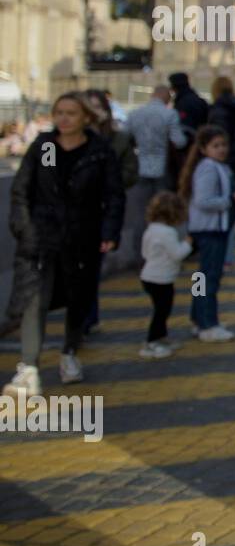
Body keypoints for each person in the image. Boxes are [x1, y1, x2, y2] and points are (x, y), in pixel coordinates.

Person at [2, 92, 125, 394]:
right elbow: (23, 190)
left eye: (71, 113)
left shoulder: (99, 151)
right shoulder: (45, 146)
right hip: (41, 237)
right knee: (34, 299)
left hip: (83, 236)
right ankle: (29, 367)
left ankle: (69, 352)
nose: (64, 119)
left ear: (85, 117)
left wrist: (109, 232)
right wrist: (24, 227)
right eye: (59, 112)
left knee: (78, 297)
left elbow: (113, 194)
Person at [180, 125, 235, 342]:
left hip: (208, 228)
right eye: (215, 145)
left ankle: (198, 317)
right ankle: (207, 323)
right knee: (209, 277)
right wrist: (231, 200)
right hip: (210, 229)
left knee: (201, 276)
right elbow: (203, 200)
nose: (221, 149)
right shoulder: (209, 168)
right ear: (203, 148)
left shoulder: (215, 166)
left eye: (223, 145)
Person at [82, 88, 138, 336]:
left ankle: (84, 322)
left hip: (101, 214)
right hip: (68, 218)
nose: (91, 113)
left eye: (96, 107)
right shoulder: (54, 143)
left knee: (91, 268)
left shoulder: (117, 140)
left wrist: (107, 182)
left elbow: (129, 175)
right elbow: (47, 175)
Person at [138, 190, 191, 359]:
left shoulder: (150, 229)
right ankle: (151, 342)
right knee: (161, 311)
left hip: (148, 276)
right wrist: (188, 244)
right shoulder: (168, 232)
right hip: (161, 279)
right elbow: (177, 254)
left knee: (160, 309)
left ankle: (161, 337)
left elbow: (145, 253)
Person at [207, 76, 235, 267]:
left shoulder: (218, 111)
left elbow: (218, 141)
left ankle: (222, 257)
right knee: (230, 210)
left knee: (221, 211)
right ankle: (228, 256)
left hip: (223, 165)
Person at [126, 84, 186, 196]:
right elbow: (180, 142)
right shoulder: (170, 114)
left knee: (142, 201)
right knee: (162, 202)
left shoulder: (134, 114)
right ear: (167, 97)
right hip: (162, 167)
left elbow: (125, 137)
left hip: (140, 166)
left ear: (153, 95)